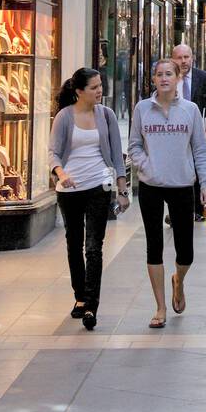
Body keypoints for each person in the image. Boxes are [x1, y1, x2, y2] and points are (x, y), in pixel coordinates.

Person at [127, 58, 206, 328]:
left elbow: (200, 149)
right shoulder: (142, 109)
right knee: (154, 246)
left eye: (168, 74)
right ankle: (160, 307)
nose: (163, 78)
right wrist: (146, 166)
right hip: (151, 186)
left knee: (185, 251)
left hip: (182, 185)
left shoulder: (190, 110)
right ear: (153, 79)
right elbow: (134, 146)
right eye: (159, 74)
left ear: (178, 78)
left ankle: (179, 280)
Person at [49, 67, 130, 331]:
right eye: (94, 87)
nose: (100, 91)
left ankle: (91, 306)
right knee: (74, 243)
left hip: (99, 186)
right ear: (79, 91)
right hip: (69, 189)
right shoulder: (64, 117)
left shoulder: (106, 116)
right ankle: (80, 296)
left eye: (100, 86)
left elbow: (117, 155)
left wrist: (122, 189)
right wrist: (61, 173)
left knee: (94, 247)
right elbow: (53, 154)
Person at [172, 42, 206, 219]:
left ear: (192, 58)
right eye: (179, 58)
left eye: (186, 57)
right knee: (178, 171)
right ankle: (177, 210)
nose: (183, 61)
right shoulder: (168, 79)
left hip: (199, 133)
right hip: (174, 134)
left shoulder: (205, 78)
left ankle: (196, 209)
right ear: (173, 60)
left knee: (197, 169)